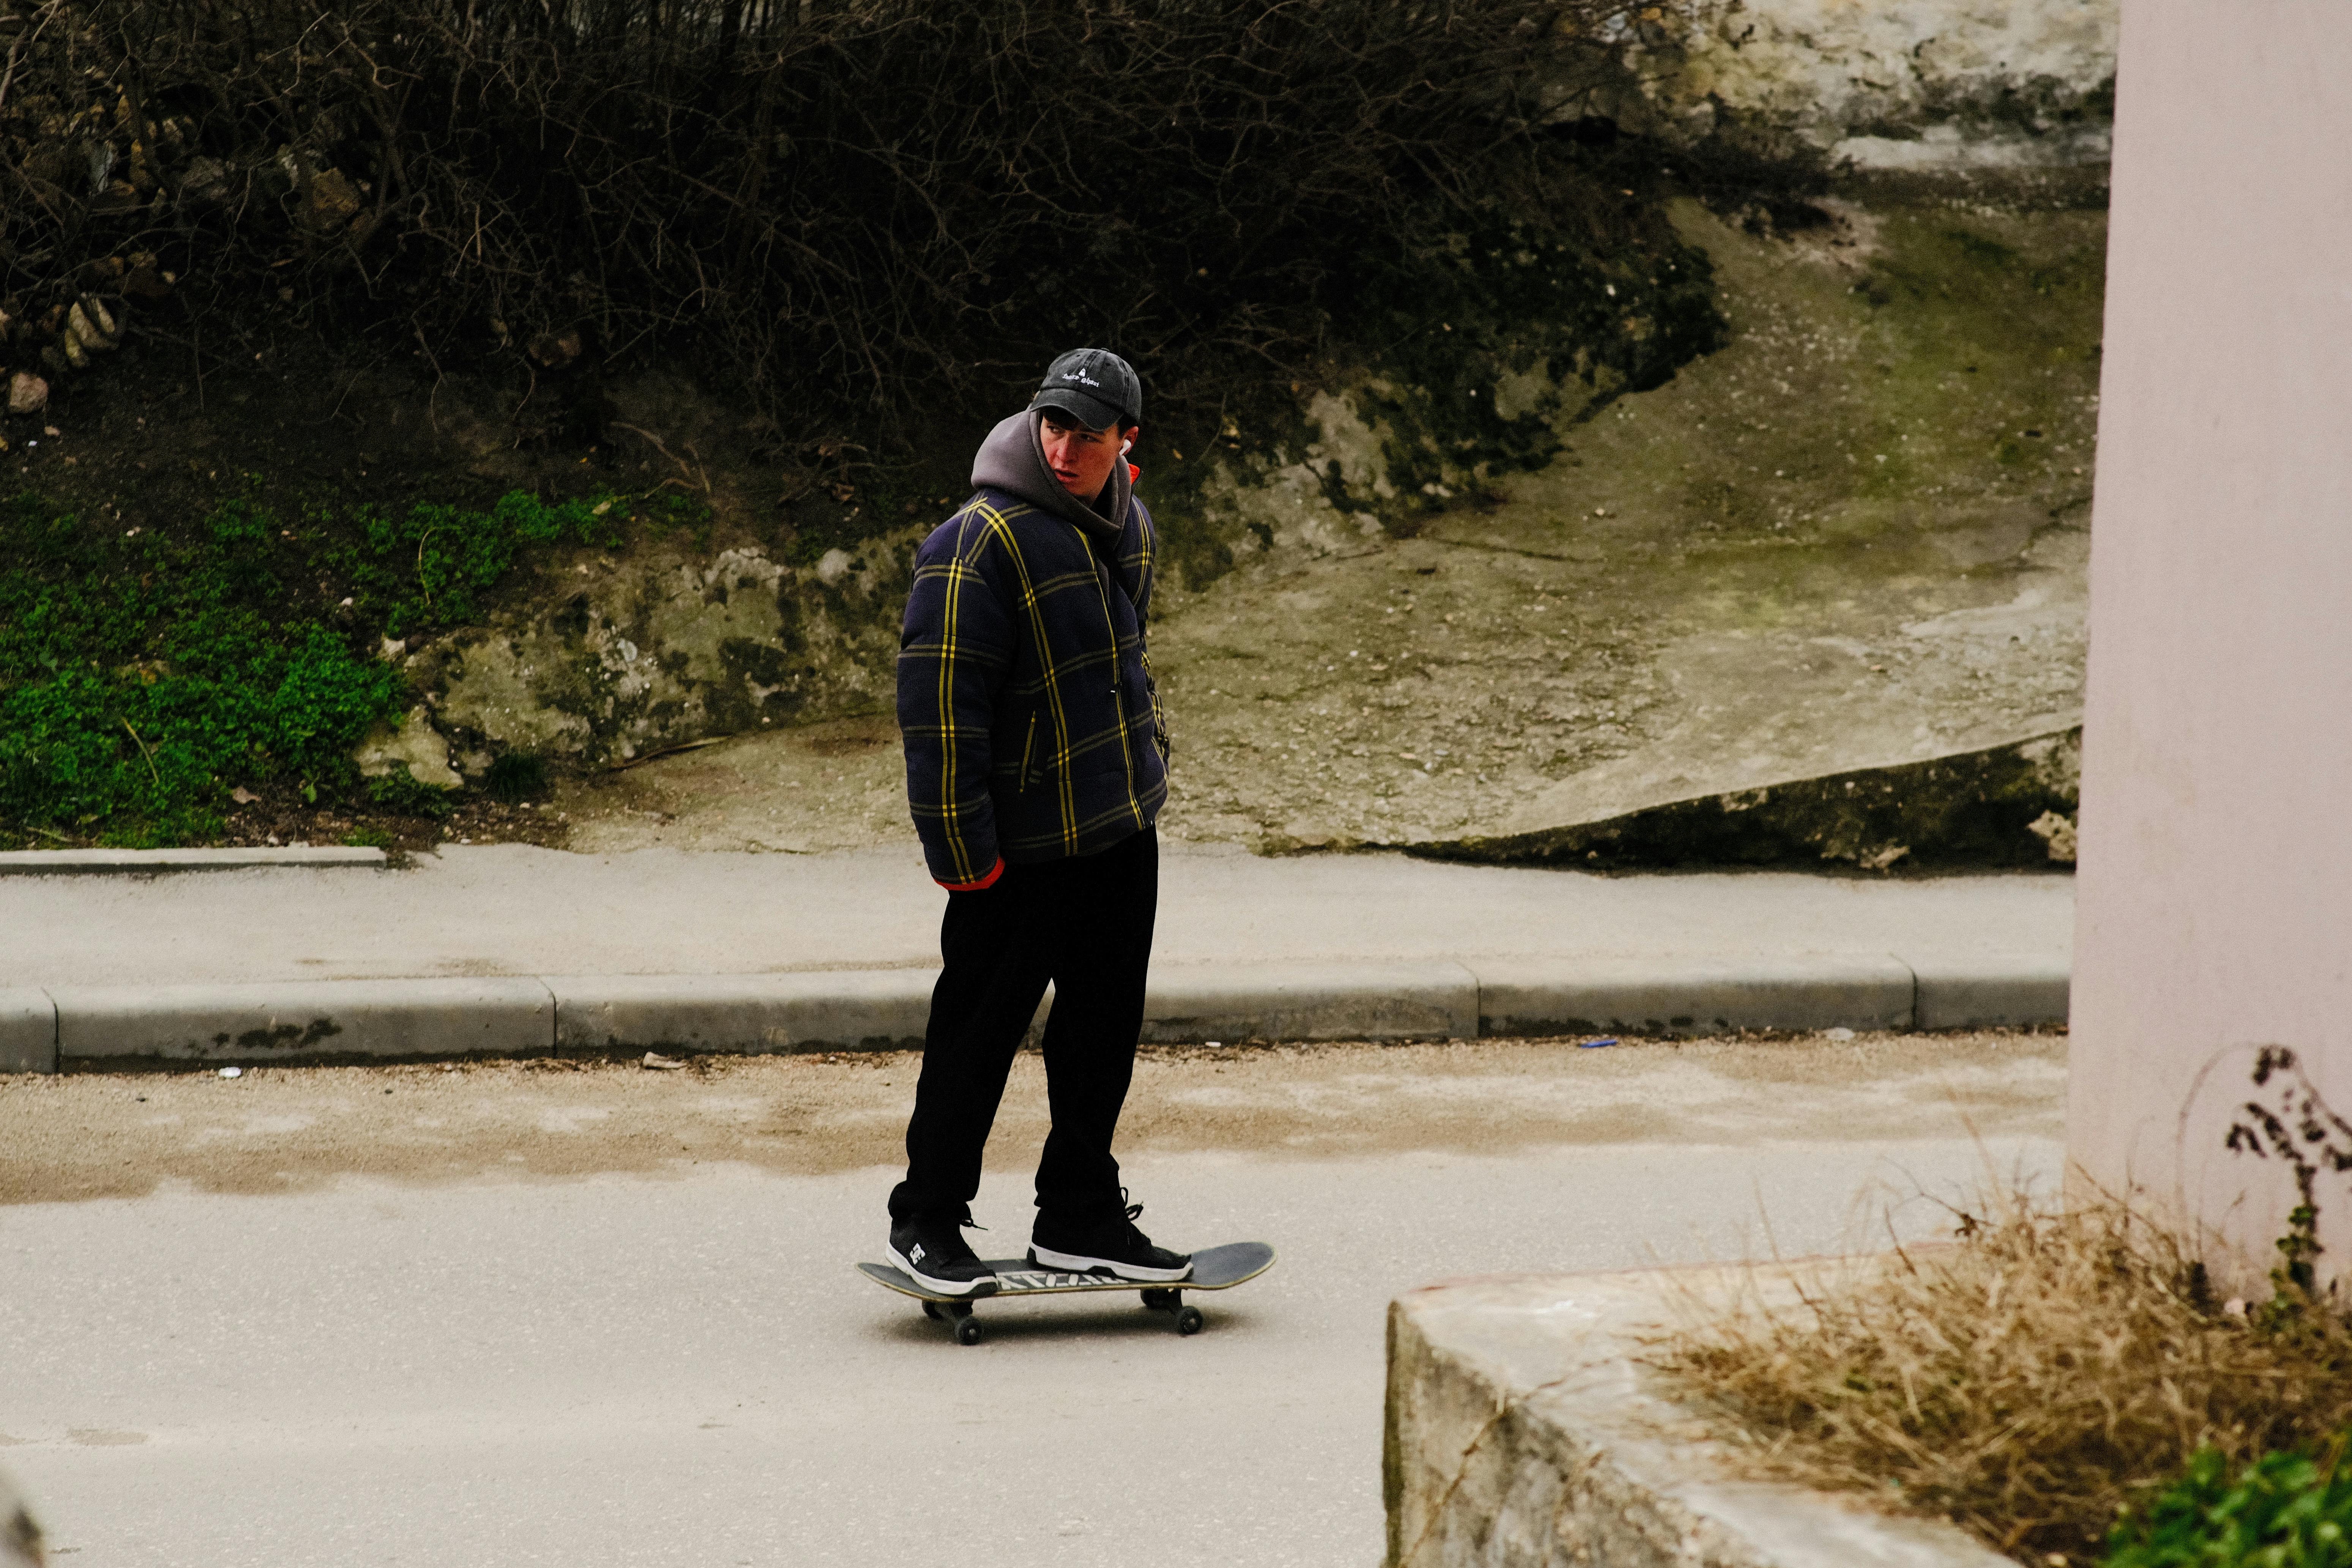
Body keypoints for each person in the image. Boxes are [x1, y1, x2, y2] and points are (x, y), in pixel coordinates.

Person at [885, 348, 1189, 1298]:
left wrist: (1149, 774)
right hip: (1014, 855)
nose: (1064, 447)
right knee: (974, 1041)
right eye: (1053, 425)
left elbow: (1118, 670)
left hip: (1116, 832)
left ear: (1124, 442)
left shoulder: (1127, 527)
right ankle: (926, 1218)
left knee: (1100, 1038)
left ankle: (1078, 1216)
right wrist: (962, 859)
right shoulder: (976, 541)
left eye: (1088, 434)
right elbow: (938, 711)